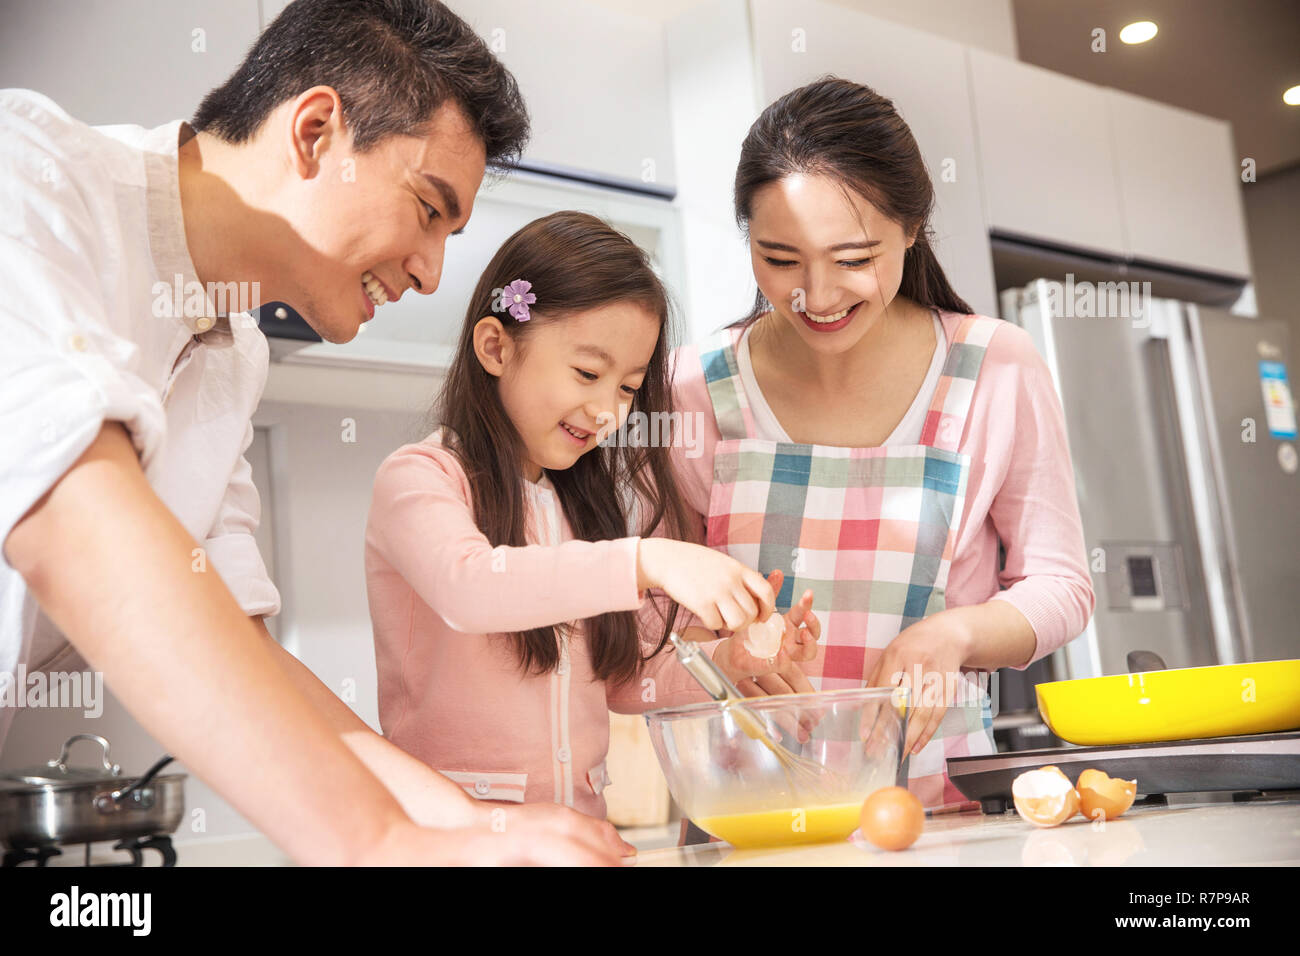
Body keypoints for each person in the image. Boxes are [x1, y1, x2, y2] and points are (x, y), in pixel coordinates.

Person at [0, 0, 628, 865]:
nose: (430, 272)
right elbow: (75, 525)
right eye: (428, 210)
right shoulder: (30, 177)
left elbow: (241, 649)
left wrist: (467, 825)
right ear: (315, 133)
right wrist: (374, 842)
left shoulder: (234, 352)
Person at [669, 77, 1096, 819]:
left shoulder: (994, 367)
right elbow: (652, 615)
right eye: (780, 259)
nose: (817, 296)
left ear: (911, 228)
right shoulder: (693, 385)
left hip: (939, 818)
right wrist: (723, 649)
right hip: (746, 821)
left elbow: (1061, 584)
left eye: (853, 258)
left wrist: (953, 635)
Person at [365, 210, 819, 816]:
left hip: (582, 834)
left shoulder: (577, 507)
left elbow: (623, 680)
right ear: (496, 347)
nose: (609, 410)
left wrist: (727, 662)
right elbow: (470, 588)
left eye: (627, 388)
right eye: (587, 373)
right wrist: (648, 559)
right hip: (458, 841)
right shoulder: (419, 478)